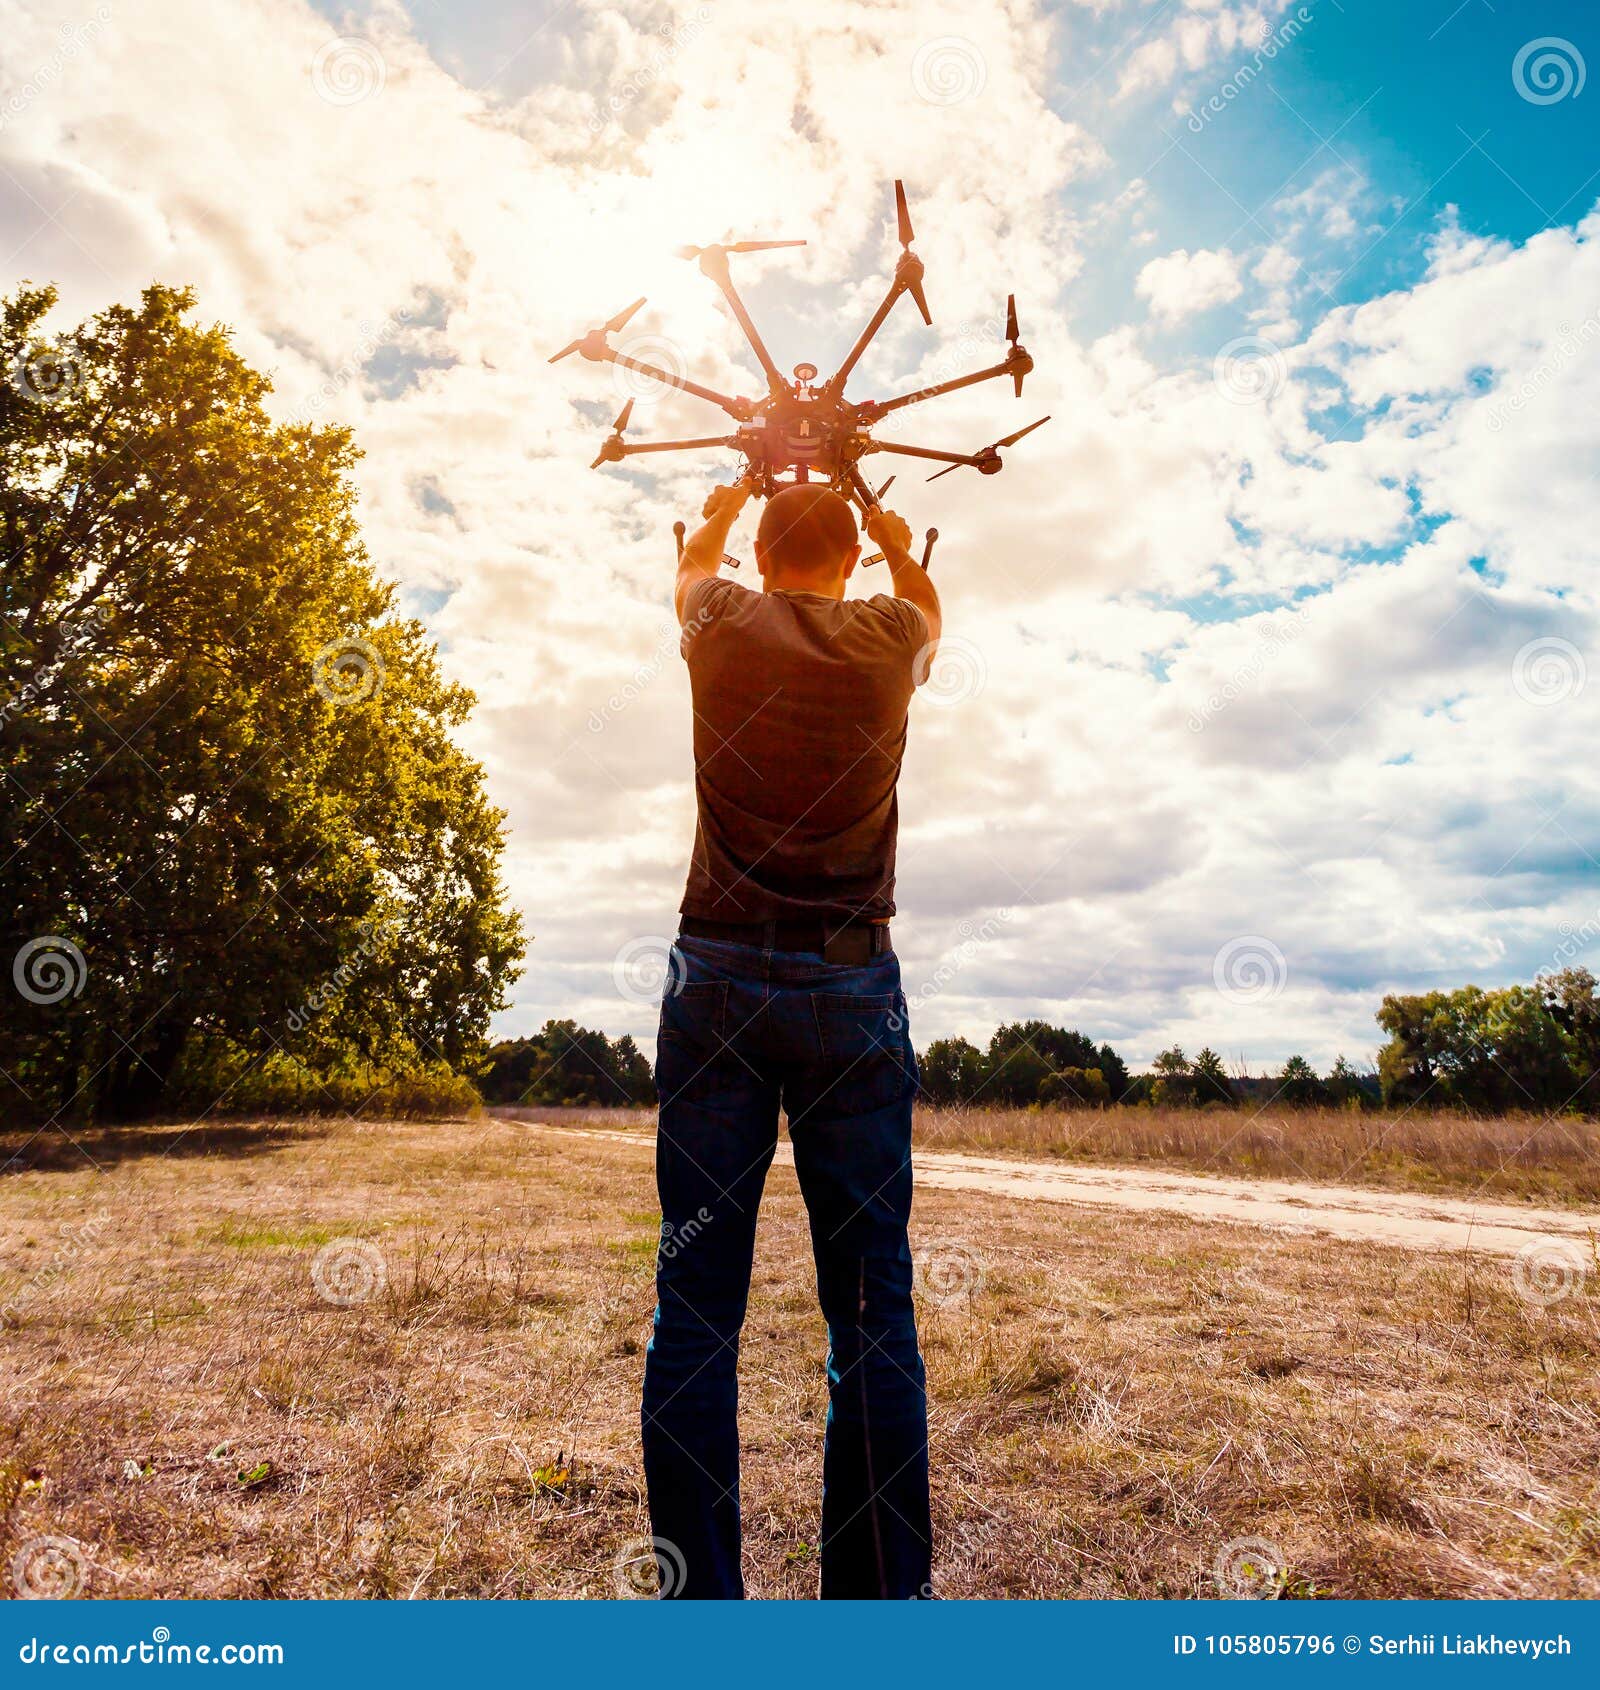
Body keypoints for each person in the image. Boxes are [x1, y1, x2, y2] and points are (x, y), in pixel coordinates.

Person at [640, 476, 942, 1600]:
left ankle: (701, 1610)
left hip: (716, 974)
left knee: (696, 1306)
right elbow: (931, 608)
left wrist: (724, 502)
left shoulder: (720, 620)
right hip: (851, 982)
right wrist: (900, 542)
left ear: (761, 555)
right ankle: (873, 1611)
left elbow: (687, 573)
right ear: (848, 561)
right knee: (871, 1310)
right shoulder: (889, 635)